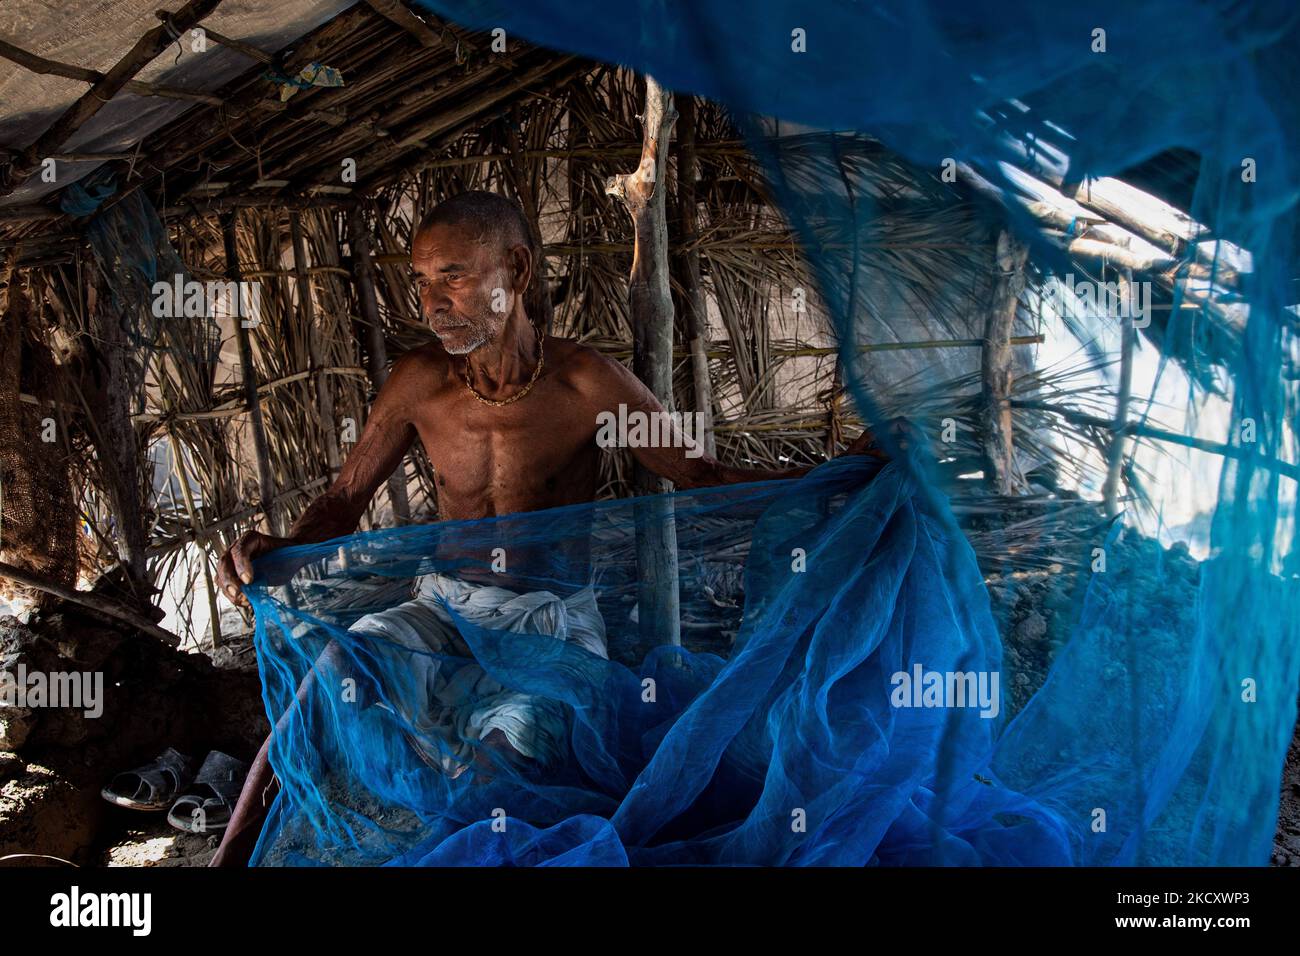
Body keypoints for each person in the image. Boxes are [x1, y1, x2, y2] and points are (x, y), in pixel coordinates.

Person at [210, 190, 891, 866]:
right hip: (444, 609)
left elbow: (701, 477)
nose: (430, 302)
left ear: (517, 270)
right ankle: (229, 859)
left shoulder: (586, 384)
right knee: (325, 682)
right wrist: (281, 548)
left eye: (453, 274)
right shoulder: (420, 381)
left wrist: (832, 476)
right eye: (421, 280)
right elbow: (341, 503)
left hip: (550, 624)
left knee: (491, 785)